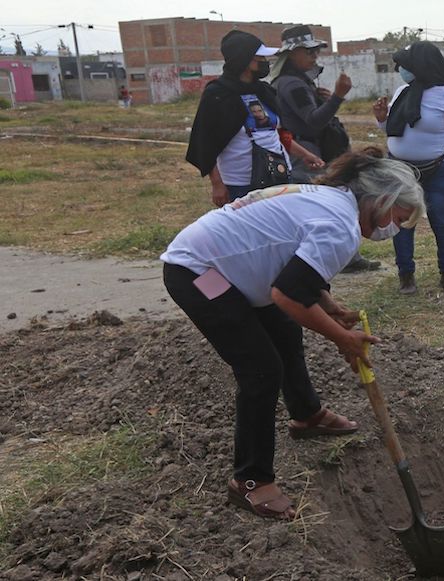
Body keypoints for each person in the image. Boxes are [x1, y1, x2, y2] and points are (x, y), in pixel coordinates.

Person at [162, 147, 425, 520]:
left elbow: (297, 269)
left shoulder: (334, 201)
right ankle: (250, 481)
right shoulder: (341, 227)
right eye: (398, 218)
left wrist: (329, 307)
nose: (393, 229)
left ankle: (307, 414)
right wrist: (341, 337)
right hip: (197, 271)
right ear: (381, 201)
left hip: (224, 267)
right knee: (261, 369)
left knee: (284, 332)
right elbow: (286, 295)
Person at [270, 24, 378, 273]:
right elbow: (313, 121)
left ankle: (344, 257)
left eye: (315, 51)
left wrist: (325, 99)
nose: (314, 56)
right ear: (292, 54)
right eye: (309, 52)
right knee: (326, 204)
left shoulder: (293, 82)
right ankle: (339, 259)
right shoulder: (293, 85)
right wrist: (338, 97)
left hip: (307, 151)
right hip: (307, 155)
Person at [373, 41, 444, 295]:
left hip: (438, 171)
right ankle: (406, 275)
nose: (400, 69)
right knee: (402, 223)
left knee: (442, 220)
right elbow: (395, 130)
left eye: (404, 64)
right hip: (401, 170)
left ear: (420, 65)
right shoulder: (402, 92)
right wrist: (382, 119)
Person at [185, 30, 324, 207]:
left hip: (278, 177)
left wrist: (305, 155)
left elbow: (278, 133)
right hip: (240, 184)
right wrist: (217, 184)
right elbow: (204, 142)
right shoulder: (218, 94)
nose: (265, 63)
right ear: (244, 59)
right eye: (261, 57)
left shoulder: (264, 92)